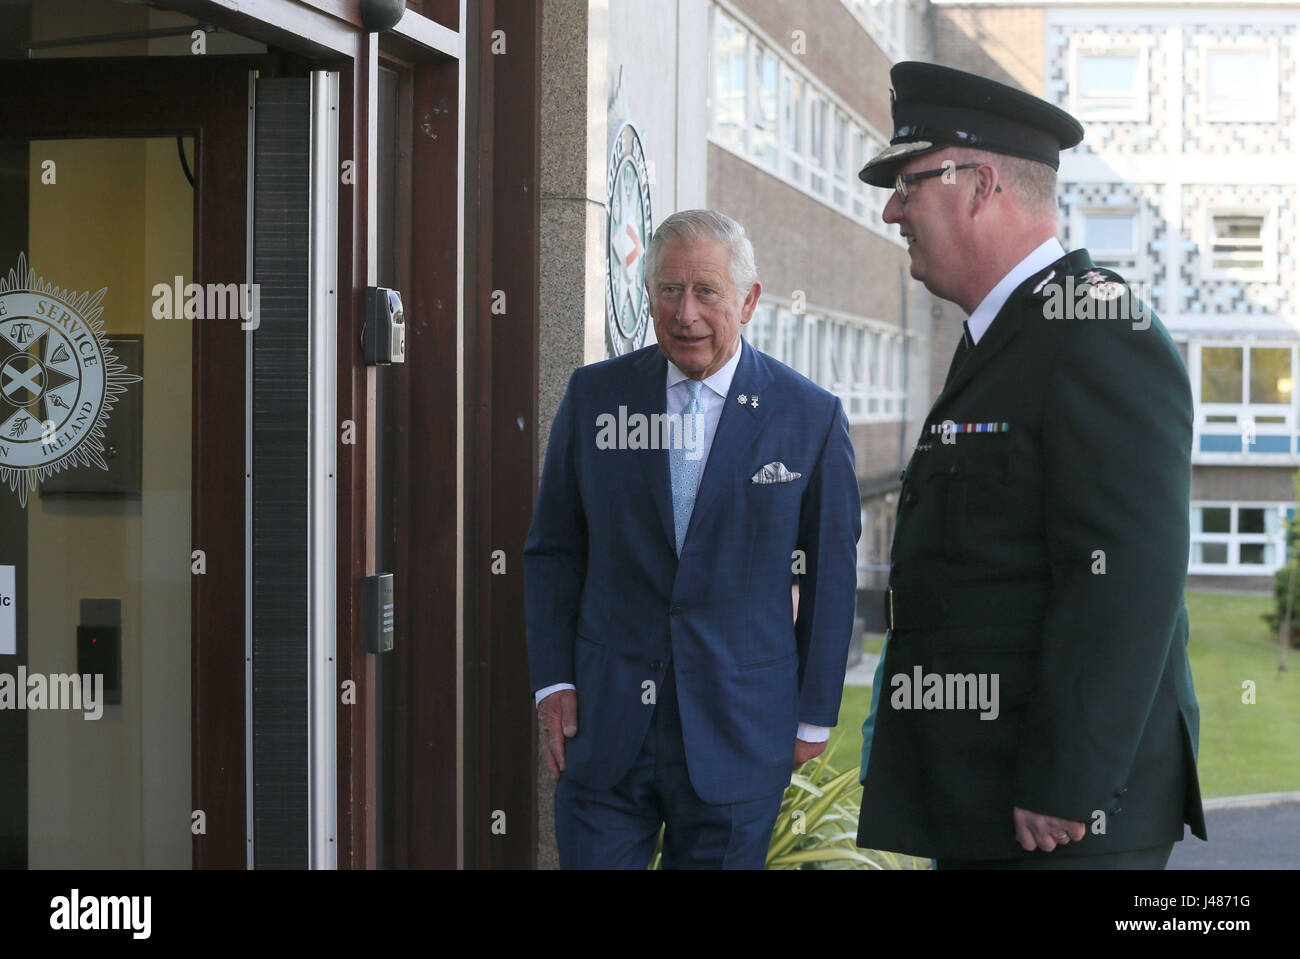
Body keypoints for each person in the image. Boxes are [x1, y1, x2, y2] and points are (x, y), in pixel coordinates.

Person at [854, 61, 1207, 869]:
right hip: (986, 798)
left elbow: (1129, 575)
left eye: (908, 183)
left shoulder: (1096, 328)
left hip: (1060, 824)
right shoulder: (1005, 334)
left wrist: (1066, 780)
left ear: (980, 186)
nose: (891, 209)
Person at [524, 209, 860, 869]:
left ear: (749, 300)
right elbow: (554, 550)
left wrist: (814, 716)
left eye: (707, 290)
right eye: (668, 290)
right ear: (647, 294)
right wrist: (552, 681)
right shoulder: (596, 397)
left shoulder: (809, 416)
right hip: (605, 725)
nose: (686, 313)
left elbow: (830, 574)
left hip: (740, 732)